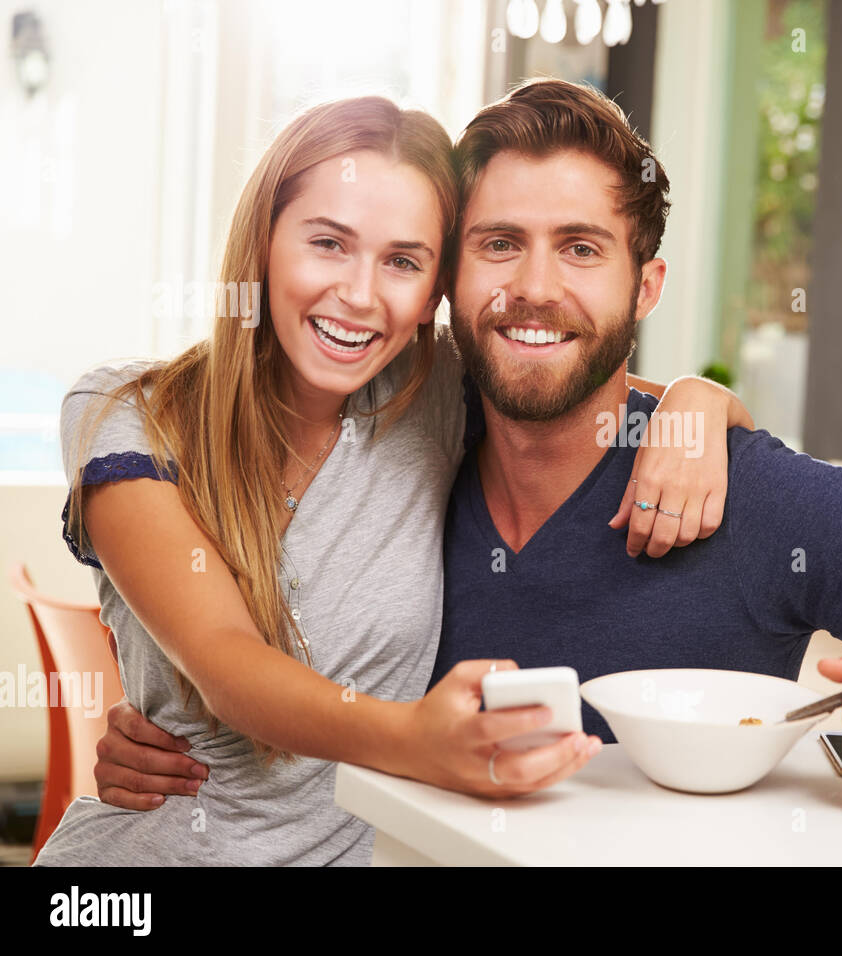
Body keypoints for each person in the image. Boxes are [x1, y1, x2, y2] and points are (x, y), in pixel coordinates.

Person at [95, 79, 842, 825]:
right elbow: (257, 641)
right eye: (498, 243)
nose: (535, 288)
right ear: (452, 283)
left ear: (645, 289)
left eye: (582, 249)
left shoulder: (765, 503)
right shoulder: (419, 443)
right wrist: (166, 717)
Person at [33, 95, 751, 867]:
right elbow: (226, 665)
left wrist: (698, 404)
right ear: (264, 242)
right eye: (328, 244)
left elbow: (582, 388)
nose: (361, 294)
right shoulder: (127, 416)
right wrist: (417, 740)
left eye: (403, 261)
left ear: (435, 292)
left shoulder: (434, 394)